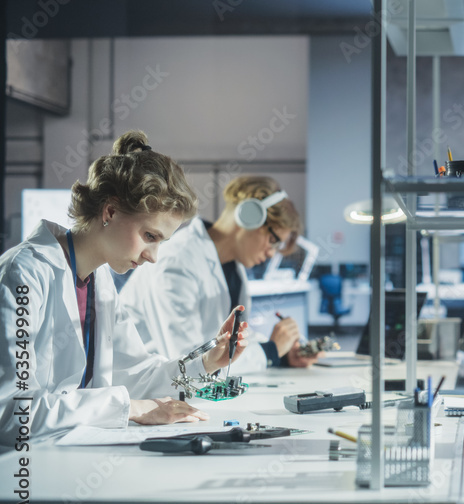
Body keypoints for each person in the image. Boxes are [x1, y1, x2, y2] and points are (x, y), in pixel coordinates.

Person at [0, 131, 248, 444]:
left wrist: (209, 361)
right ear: (111, 211)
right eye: (150, 236)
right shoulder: (23, 275)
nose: (153, 257)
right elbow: (14, 413)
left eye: (162, 242)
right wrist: (128, 408)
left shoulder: (99, 281)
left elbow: (137, 374)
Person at [120, 175, 318, 372]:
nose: (271, 253)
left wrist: (282, 355)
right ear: (249, 217)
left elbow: (229, 341)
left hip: (190, 389)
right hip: (147, 389)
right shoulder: (177, 262)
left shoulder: (233, 269)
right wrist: (270, 352)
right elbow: (190, 359)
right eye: (273, 240)